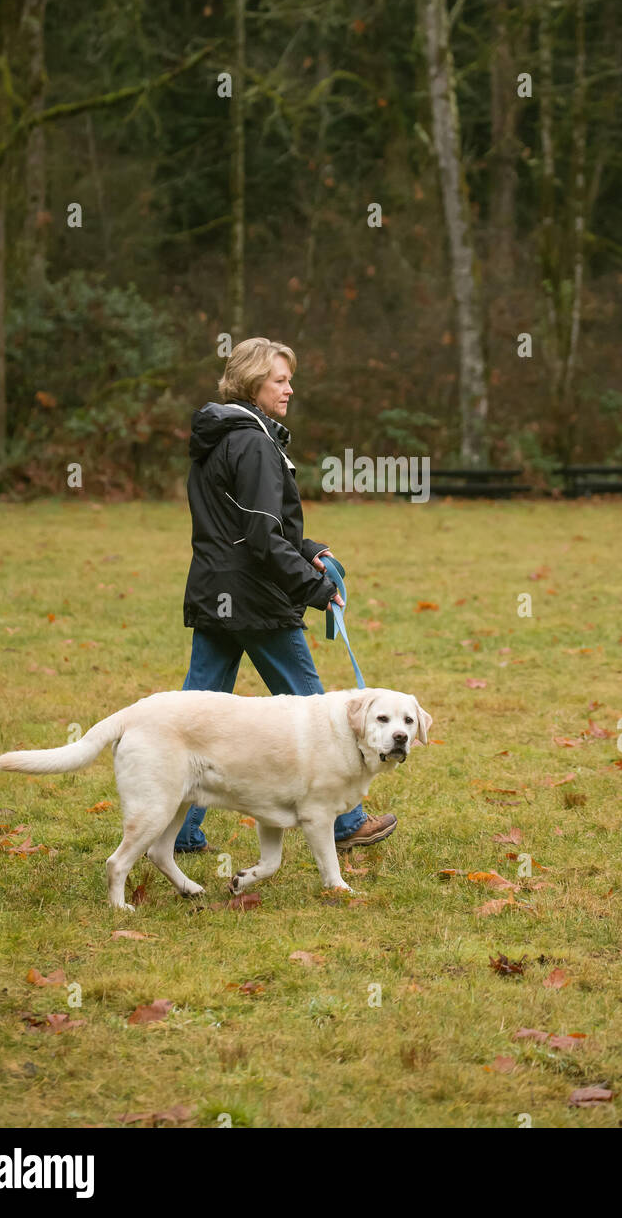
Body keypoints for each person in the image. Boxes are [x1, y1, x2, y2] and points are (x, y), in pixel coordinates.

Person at [174, 336, 397, 855]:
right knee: (316, 706)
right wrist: (316, 589)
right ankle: (345, 823)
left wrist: (311, 550)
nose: (289, 389)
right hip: (254, 599)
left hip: (218, 595)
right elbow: (260, 538)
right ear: (254, 382)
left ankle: (180, 830)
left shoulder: (223, 436)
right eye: (280, 380)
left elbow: (258, 525)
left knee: (192, 719)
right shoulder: (251, 441)